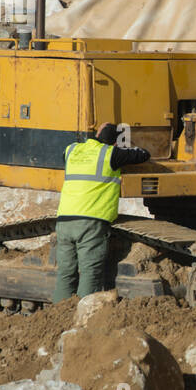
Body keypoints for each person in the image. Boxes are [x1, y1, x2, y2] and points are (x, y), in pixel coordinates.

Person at [52, 123, 149, 303]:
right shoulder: (111, 154)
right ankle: (84, 316)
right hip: (90, 221)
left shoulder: (72, 150)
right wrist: (123, 148)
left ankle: (59, 313)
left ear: (96, 134)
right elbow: (143, 154)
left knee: (66, 272)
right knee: (90, 272)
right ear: (114, 142)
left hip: (64, 219)